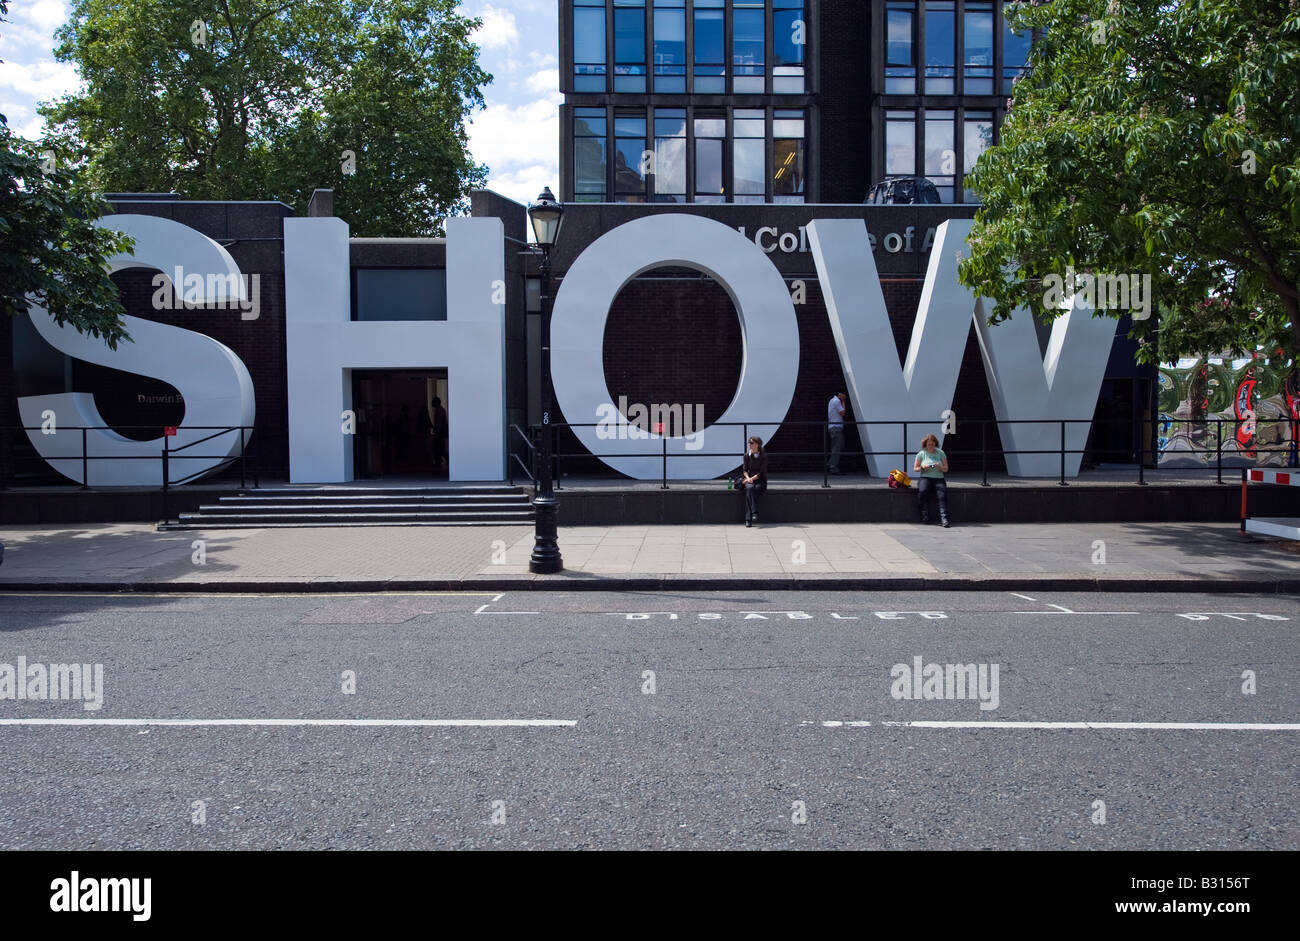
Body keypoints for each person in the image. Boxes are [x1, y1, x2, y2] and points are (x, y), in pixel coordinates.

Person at [913, 433, 950, 527]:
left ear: (935, 444)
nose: (931, 446)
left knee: (942, 495)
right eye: (929, 444)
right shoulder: (921, 454)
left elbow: (946, 469)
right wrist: (923, 468)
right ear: (925, 444)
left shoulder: (940, 453)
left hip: (939, 478)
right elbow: (915, 469)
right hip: (925, 477)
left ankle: (944, 518)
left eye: (933, 444)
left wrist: (940, 466)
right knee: (922, 491)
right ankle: (924, 514)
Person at [738, 436, 768, 527]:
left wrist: (752, 479)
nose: (749, 445)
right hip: (749, 480)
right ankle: (754, 513)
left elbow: (762, 472)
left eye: (751, 443)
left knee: (750, 491)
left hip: (760, 481)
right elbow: (744, 470)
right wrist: (748, 478)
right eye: (749, 443)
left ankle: (748, 519)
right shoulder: (746, 455)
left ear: (757, 444)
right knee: (750, 488)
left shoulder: (763, 456)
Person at [827, 391, 847, 474]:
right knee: (837, 448)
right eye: (844, 395)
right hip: (836, 427)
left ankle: (830, 464)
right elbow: (843, 413)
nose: (845, 397)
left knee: (837, 447)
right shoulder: (837, 401)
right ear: (840, 394)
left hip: (833, 427)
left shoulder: (832, 400)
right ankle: (833, 467)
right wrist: (843, 401)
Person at [430, 396, 449, 472]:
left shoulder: (439, 411)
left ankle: (440, 461)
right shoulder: (440, 410)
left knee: (438, 448)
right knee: (439, 448)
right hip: (440, 432)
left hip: (439, 433)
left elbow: (439, 423)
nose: (431, 403)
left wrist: (436, 432)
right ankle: (440, 461)